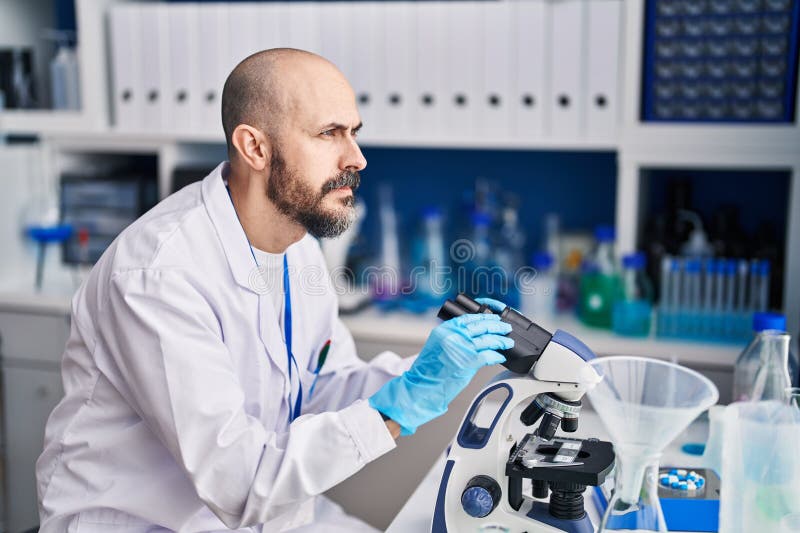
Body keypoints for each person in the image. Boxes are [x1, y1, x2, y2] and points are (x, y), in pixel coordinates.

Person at [36, 48, 513, 532]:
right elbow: (239, 482)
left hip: (267, 515)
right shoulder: (158, 276)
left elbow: (323, 384)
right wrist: (399, 406)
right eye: (330, 134)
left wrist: (426, 376)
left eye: (354, 133)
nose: (357, 158)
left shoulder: (295, 242)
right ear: (256, 148)